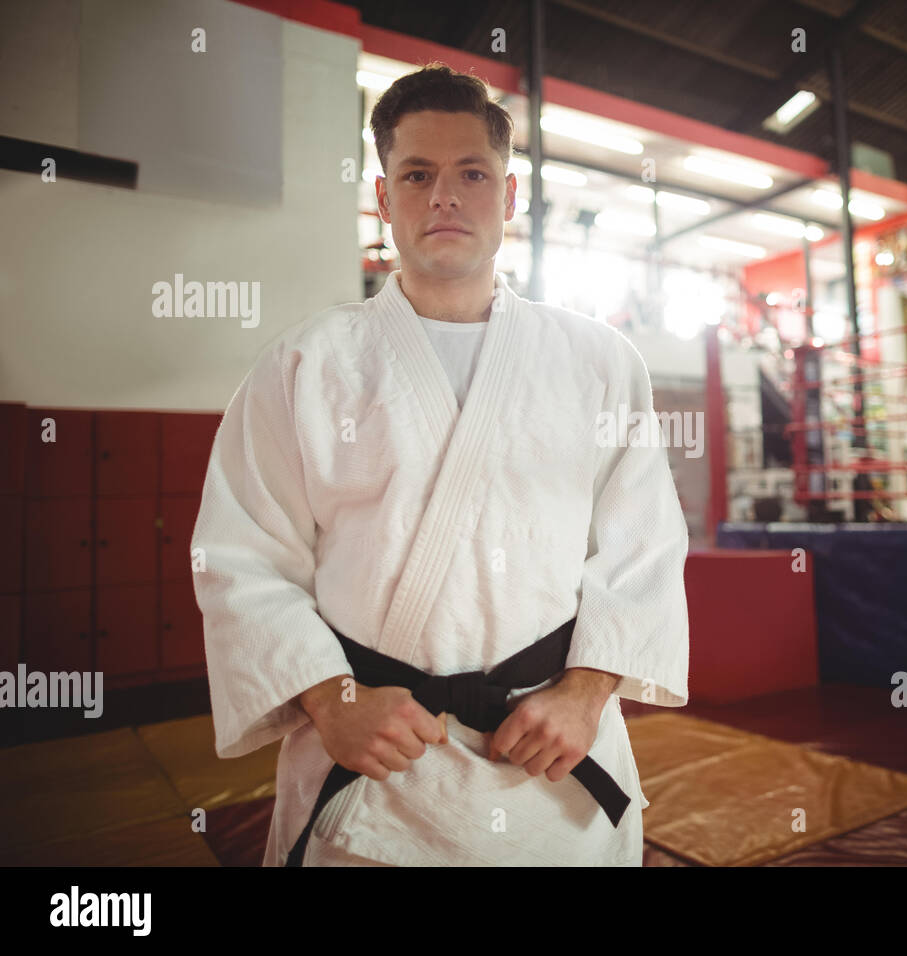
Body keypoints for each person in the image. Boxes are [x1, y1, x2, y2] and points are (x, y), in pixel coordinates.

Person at [191, 64, 690, 866]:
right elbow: (241, 557)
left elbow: (645, 549)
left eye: (472, 174)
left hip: (548, 758)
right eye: (417, 174)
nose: (445, 196)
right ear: (385, 200)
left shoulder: (600, 360)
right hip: (371, 764)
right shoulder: (305, 364)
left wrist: (587, 691)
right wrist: (332, 697)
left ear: (511, 195)